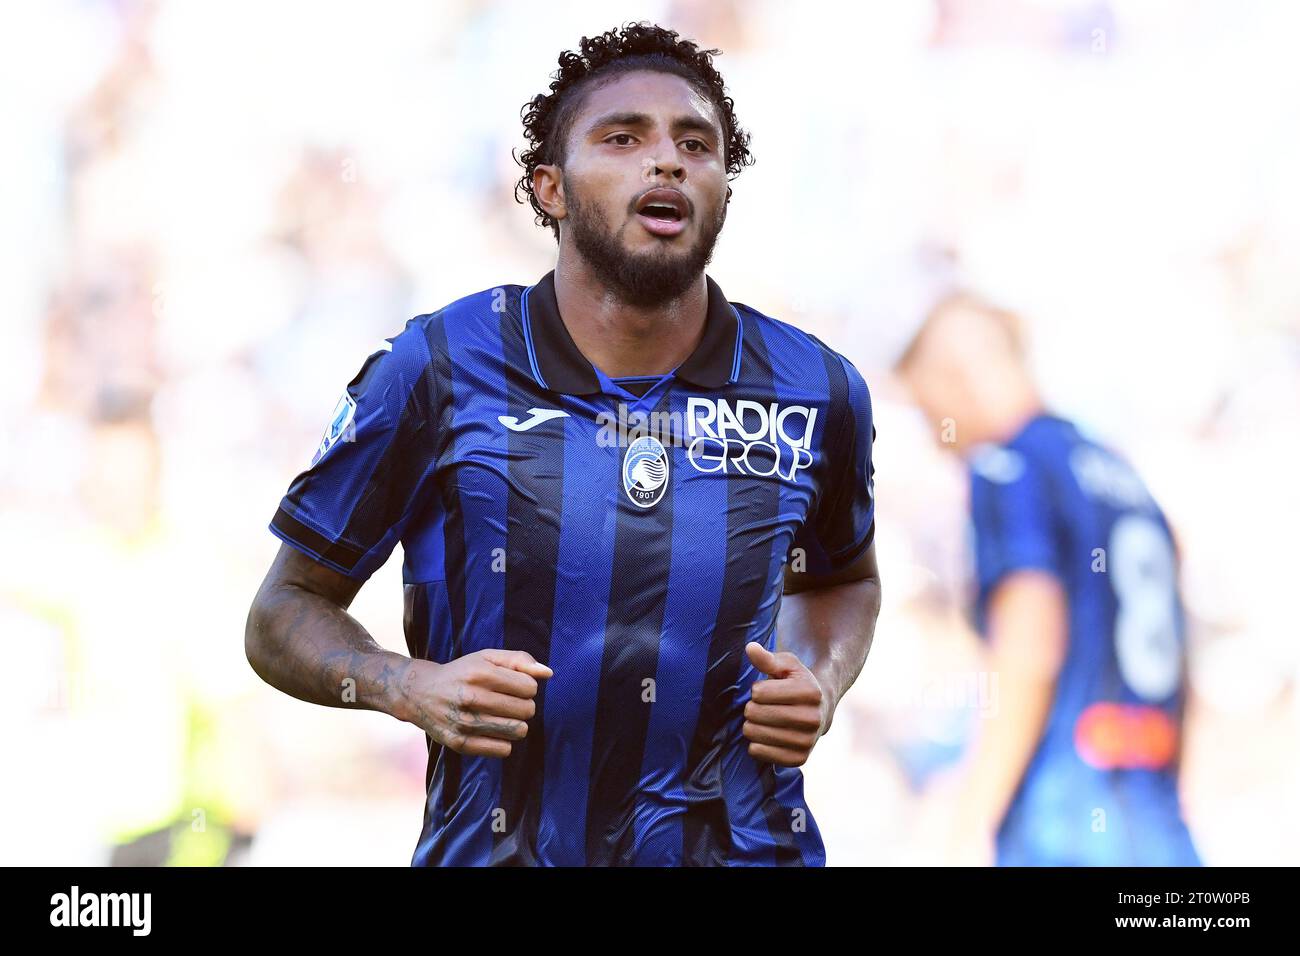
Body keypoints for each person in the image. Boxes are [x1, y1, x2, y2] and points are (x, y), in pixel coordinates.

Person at [245, 22, 881, 866]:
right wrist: (410, 687)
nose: (668, 161)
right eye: (624, 138)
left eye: (697, 144)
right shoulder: (439, 366)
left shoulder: (816, 389)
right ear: (549, 188)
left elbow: (845, 580)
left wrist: (821, 680)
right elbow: (282, 614)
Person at [896, 291, 1202, 866]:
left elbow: (1029, 646)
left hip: (1062, 823)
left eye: (926, 410)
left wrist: (970, 824)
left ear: (957, 380)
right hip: (1158, 829)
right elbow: (1182, 670)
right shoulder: (1128, 482)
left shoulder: (1007, 467)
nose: (938, 437)